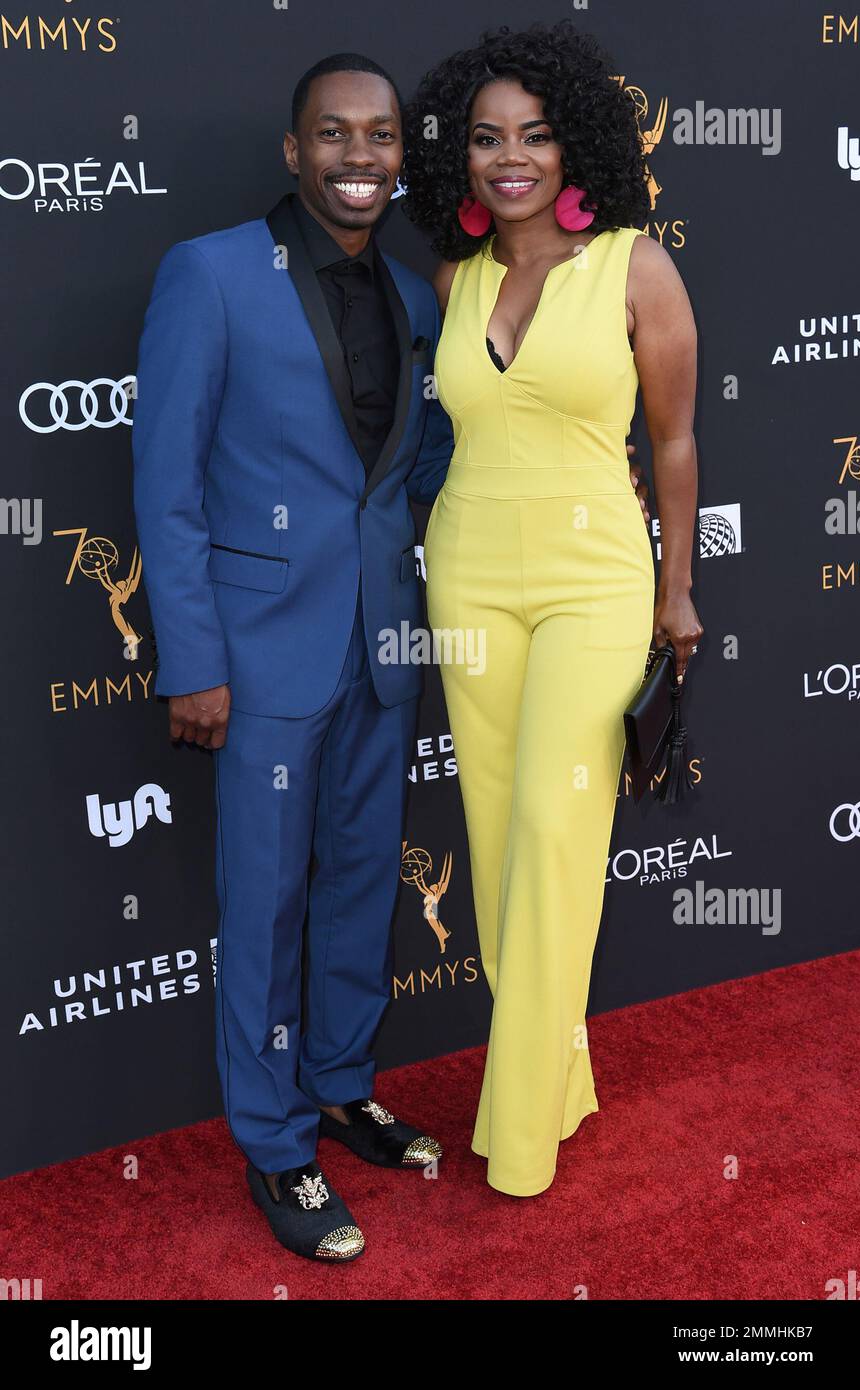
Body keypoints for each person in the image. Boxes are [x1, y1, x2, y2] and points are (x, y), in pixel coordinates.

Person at [131, 54, 459, 1263]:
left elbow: (415, 472)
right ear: (294, 150)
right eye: (334, 134)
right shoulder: (211, 275)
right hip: (258, 657)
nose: (359, 157)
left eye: (378, 137)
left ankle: (338, 1084)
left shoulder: (421, 298)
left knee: (363, 882)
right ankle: (275, 1145)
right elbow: (164, 486)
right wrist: (192, 660)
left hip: (382, 641)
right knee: (265, 908)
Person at [403, 21, 704, 1197]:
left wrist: (676, 589)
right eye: (485, 138)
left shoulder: (635, 265)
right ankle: (559, 1073)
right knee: (491, 849)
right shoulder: (451, 277)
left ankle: (517, 1134)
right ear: (460, 158)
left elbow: (673, 438)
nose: (509, 157)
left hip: (592, 582)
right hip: (467, 575)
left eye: (532, 134)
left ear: (575, 141)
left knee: (552, 828)